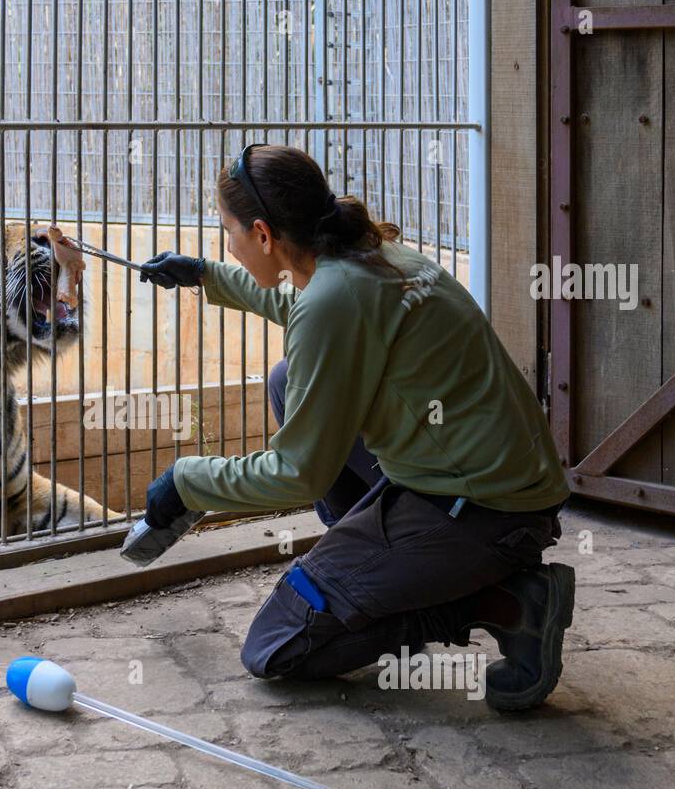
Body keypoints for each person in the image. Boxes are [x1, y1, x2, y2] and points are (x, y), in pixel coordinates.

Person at [137, 143, 574, 712]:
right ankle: (391, 574)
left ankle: (508, 602)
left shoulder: (334, 298)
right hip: (496, 487)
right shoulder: (372, 255)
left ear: (264, 235)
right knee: (285, 378)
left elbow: (299, 472)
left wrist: (187, 480)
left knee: (276, 649)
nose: (227, 244)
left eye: (228, 231)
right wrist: (204, 275)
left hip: (481, 511)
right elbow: (309, 306)